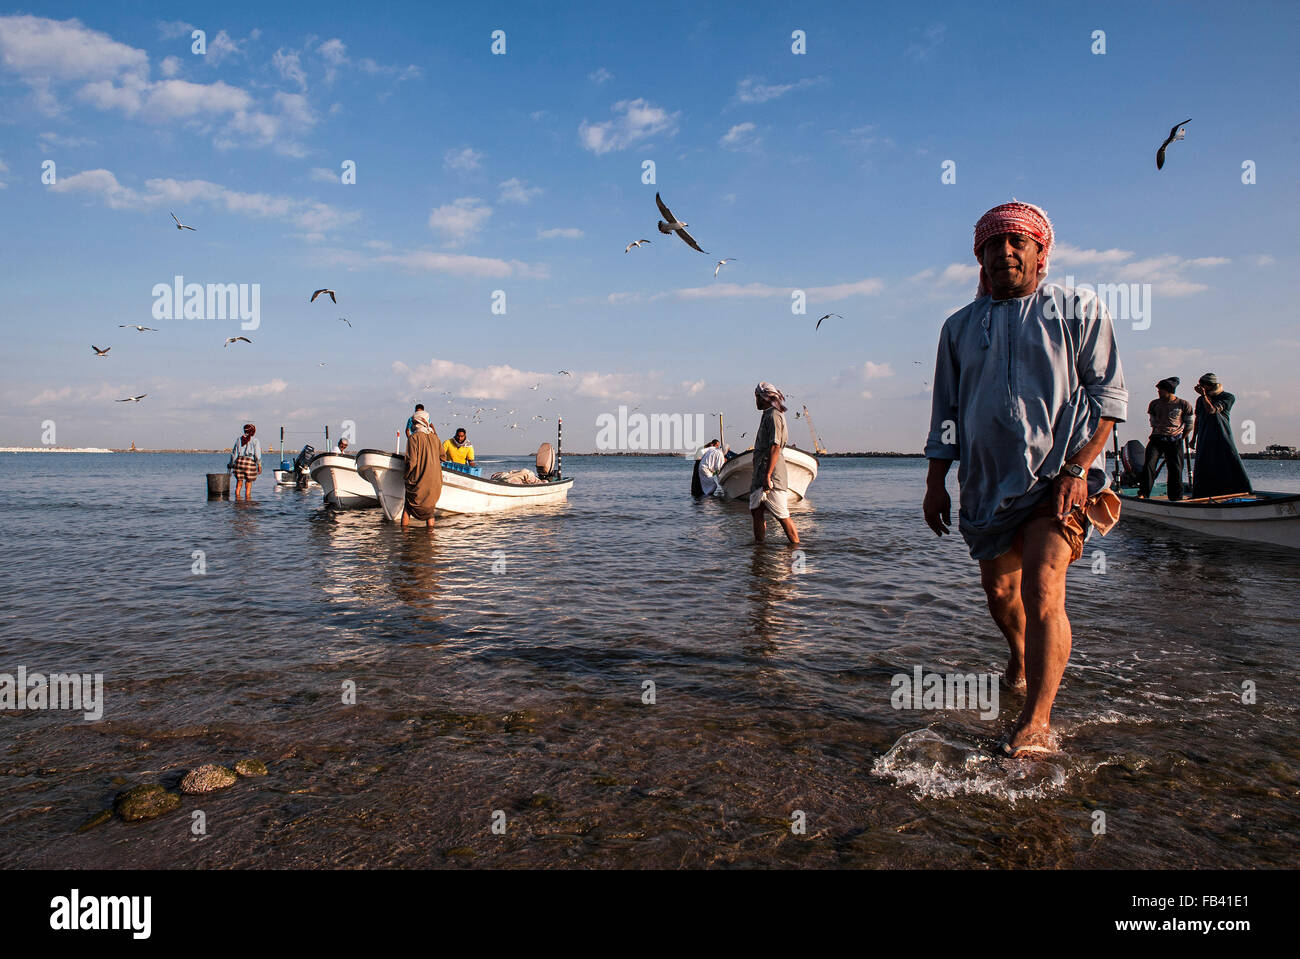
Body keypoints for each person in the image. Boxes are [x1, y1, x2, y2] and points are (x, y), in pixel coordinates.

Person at [923, 201, 1127, 758]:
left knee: (1042, 590)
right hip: (987, 483)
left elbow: (1108, 398)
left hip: (1060, 477)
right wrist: (936, 479)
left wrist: (1080, 467)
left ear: (1041, 252)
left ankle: (1037, 721)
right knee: (1000, 592)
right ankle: (1019, 652)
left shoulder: (1076, 308)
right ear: (980, 257)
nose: (1005, 252)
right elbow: (946, 406)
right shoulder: (959, 327)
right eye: (993, 244)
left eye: (1017, 242)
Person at [750, 382, 800, 545]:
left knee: (782, 515)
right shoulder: (767, 413)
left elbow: (775, 446)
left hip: (770, 475)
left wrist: (768, 475)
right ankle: (759, 548)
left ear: (763, 397)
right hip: (761, 473)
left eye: (756, 397)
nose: (755, 400)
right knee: (756, 512)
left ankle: (796, 547)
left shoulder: (773, 415)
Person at [1191, 373, 1252, 498]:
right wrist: (1193, 438)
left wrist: (1204, 396)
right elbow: (1198, 419)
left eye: (1202, 385)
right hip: (1204, 436)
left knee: (1227, 461)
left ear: (1209, 385)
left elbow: (1212, 410)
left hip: (1221, 435)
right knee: (1204, 464)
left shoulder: (1227, 397)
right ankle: (1203, 493)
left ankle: (1237, 490)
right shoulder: (1200, 400)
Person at [1137, 377, 1194, 501]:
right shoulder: (1154, 404)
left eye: (1161, 390)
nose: (1159, 392)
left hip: (1175, 440)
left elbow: (1189, 425)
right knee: (1149, 465)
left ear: (1169, 391)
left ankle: (1175, 497)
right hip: (1157, 439)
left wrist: (1180, 437)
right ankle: (1144, 493)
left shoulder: (1183, 404)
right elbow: (1152, 420)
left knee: (1175, 469)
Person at [402, 409, 442, 528]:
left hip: (418, 480)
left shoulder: (413, 438)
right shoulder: (435, 438)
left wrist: (406, 476)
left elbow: (412, 462)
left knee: (407, 507)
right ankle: (430, 536)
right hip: (436, 482)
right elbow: (443, 456)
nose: (413, 425)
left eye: (414, 423)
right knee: (430, 511)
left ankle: (404, 535)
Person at [230, 423, 262, 500]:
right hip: (249, 462)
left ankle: (237, 502)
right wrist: (259, 465)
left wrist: (231, 463)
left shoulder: (239, 439)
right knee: (248, 484)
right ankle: (248, 502)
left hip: (239, 462)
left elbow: (234, 453)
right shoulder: (255, 440)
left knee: (239, 484)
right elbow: (257, 455)